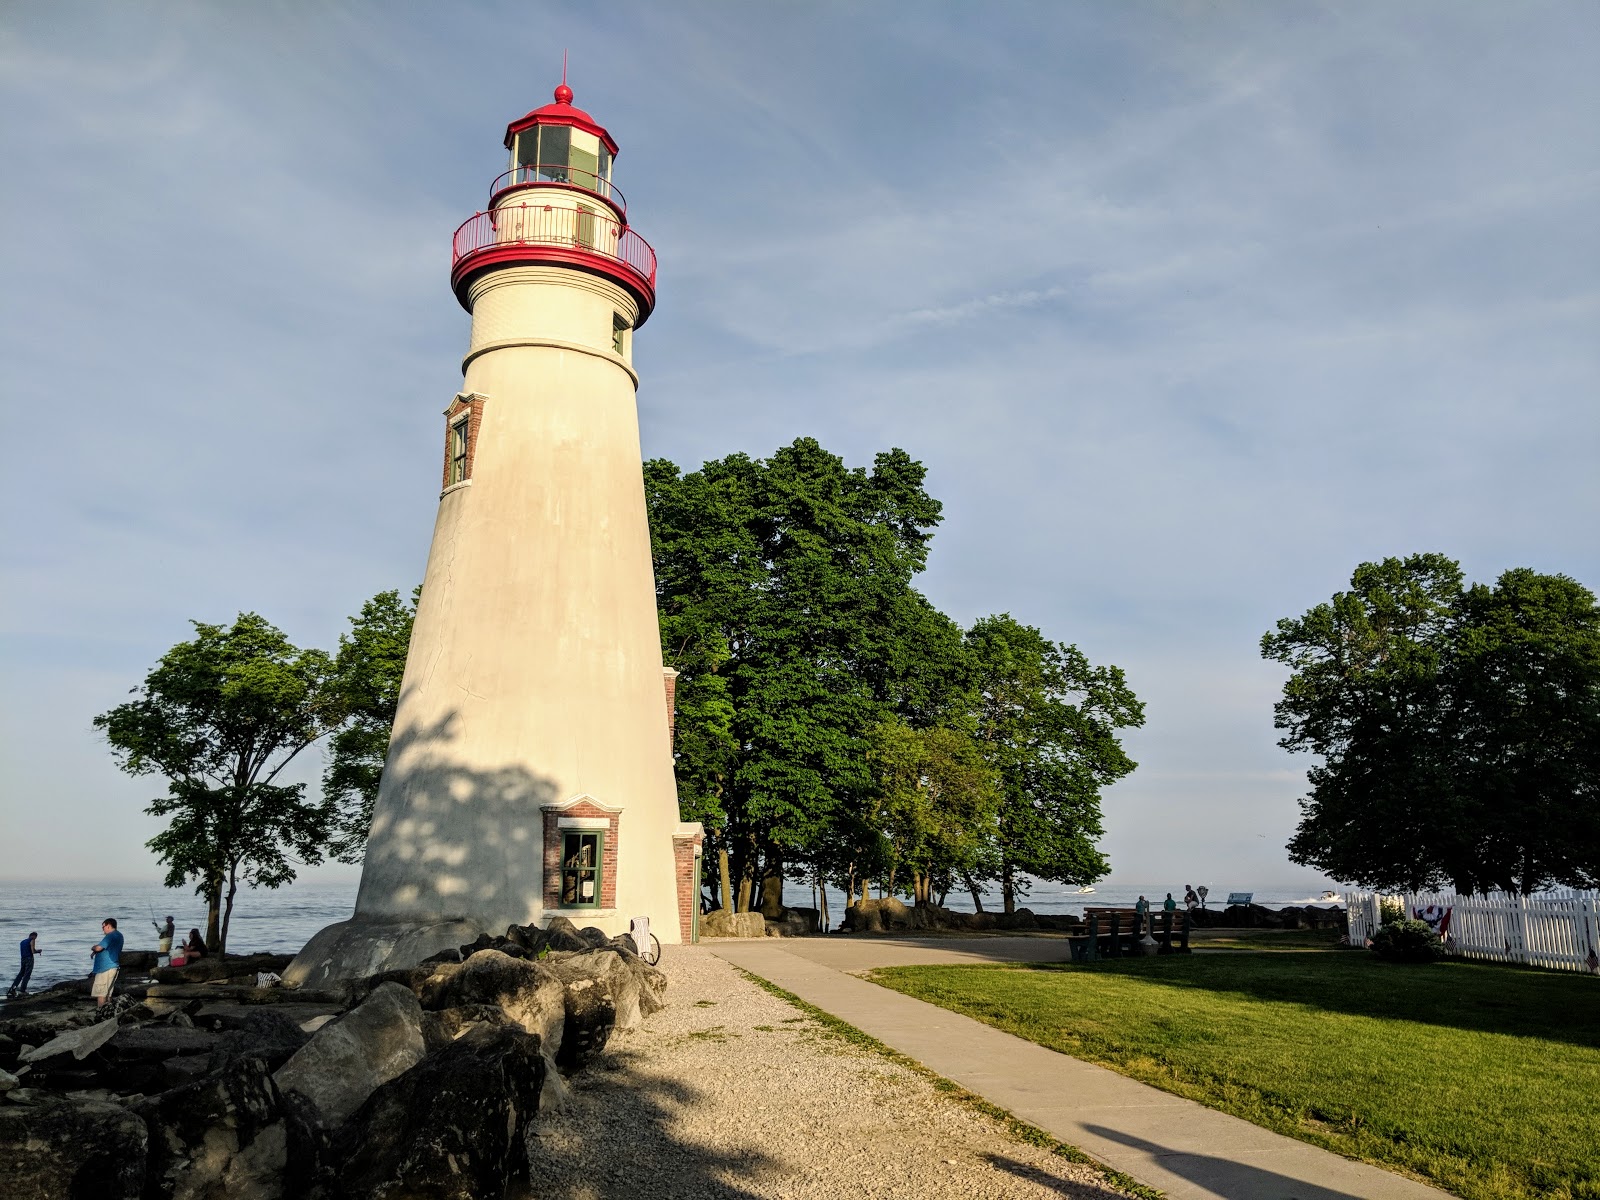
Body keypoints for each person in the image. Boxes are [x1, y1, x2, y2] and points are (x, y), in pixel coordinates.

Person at [89, 918, 123, 1008]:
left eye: (103, 927)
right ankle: (108, 1013)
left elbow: (98, 948)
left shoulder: (110, 936)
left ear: (108, 926)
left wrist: (93, 948)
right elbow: (108, 948)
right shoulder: (118, 935)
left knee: (101, 994)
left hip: (106, 968)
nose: (102, 929)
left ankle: (101, 1013)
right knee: (108, 994)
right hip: (112, 966)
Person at [9, 932, 40, 998]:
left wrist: (36, 950)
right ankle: (22, 990)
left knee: (21, 974)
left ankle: (13, 988)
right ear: (34, 936)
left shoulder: (22, 942)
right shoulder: (32, 940)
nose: (35, 939)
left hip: (23, 959)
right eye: (36, 937)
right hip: (29, 959)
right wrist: (38, 951)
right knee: (27, 974)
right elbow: (32, 951)